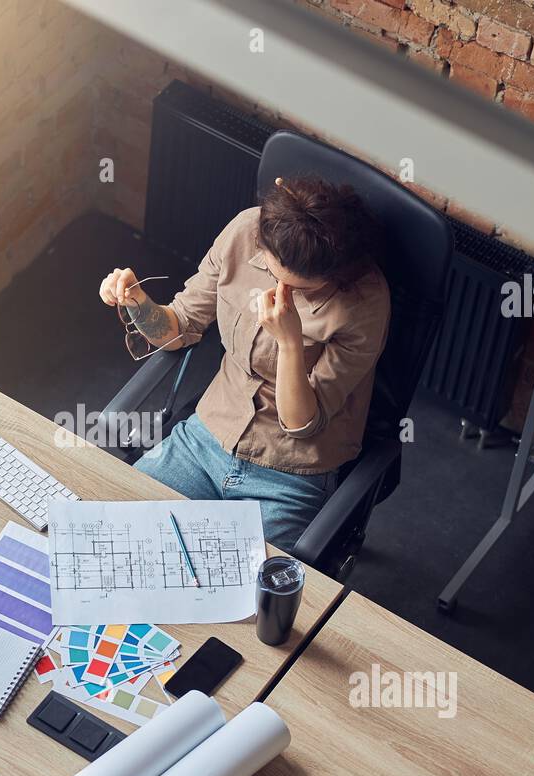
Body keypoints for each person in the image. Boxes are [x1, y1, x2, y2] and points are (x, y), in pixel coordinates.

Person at [98, 175, 391, 550]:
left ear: (334, 276)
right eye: (271, 272)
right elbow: (180, 327)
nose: (281, 293)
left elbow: (302, 423)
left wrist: (289, 341)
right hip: (205, 440)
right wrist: (138, 302)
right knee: (112, 534)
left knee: (245, 584)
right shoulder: (244, 232)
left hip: (289, 474)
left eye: (301, 289)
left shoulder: (365, 302)